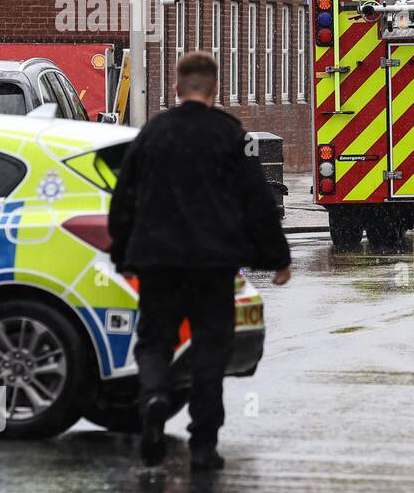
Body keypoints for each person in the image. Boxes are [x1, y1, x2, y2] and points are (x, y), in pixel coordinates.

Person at [109, 51, 291, 470]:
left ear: (176, 88)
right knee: (211, 350)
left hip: (158, 262)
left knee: (155, 341)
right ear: (214, 90)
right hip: (213, 264)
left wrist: (124, 255)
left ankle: (153, 396)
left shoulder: (153, 133)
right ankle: (204, 444)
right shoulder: (229, 136)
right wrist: (277, 258)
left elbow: (124, 199)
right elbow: (257, 201)